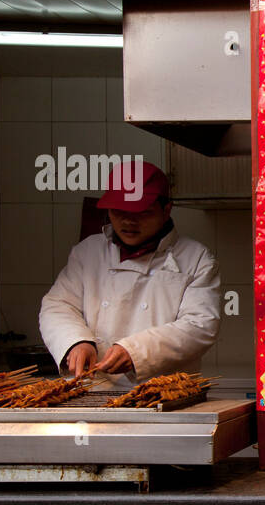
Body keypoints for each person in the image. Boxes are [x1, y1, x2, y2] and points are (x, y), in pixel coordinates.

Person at [39, 161, 221, 386]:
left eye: (141, 213)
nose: (128, 221)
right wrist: (76, 341)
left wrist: (135, 351)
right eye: (118, 211)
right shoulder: (88, 252)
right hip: (92, 388)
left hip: (163, 390)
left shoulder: (196, 257)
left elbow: (200, 325)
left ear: (166, 210)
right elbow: (58, 305)